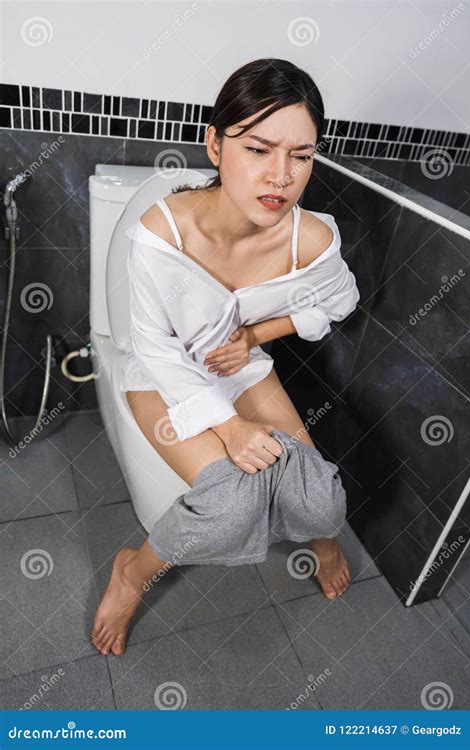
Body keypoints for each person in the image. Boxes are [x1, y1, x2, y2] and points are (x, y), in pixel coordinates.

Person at [91, 58, 360, 657]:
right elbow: (158, 348)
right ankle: (132, 573)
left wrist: (258, 335)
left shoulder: (310, 239)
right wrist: (230, 426)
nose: (282, 176)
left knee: (322, 499)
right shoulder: (162, 234)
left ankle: (323, 538)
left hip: (239, 365)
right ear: (215, 144)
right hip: (163, 374)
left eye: (302, 154)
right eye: (259, 149)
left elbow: (343, 299)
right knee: (231, 505)